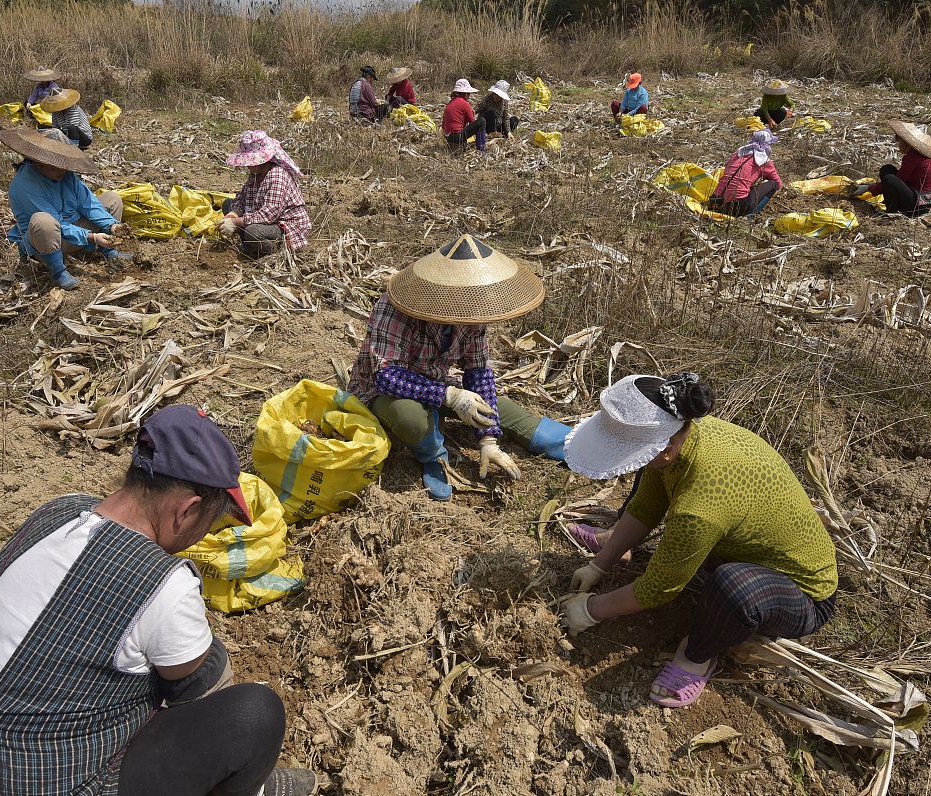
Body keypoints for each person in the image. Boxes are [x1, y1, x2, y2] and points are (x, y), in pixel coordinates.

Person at [0, 404, 317, 796]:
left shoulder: (58, 512)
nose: (204, 533)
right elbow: (195, 691)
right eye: (211, 520)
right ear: (188, 510)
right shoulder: (164, 585)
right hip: (41, 779)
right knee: (253, 714)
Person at [559, 373, 838, 708]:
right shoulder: (680, 437)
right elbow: (647, 505)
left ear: (665, 447)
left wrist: (590, 611)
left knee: (733, 588)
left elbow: (659, 588)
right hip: (736, 543)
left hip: (800, 593)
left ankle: (696, 658)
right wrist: (599, 564)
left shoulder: (699, 509)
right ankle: (617, 548)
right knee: (686, 542)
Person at [347, 235, 571, 501]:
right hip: (381, 391)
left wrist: (488, 439)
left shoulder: (471, 313)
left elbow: (477, 370)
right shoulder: (395, 308)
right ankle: (432, 455)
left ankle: (565, 442)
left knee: (494, 408)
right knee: (410, 417)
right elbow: (386, 376)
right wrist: (450, 397)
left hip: (434, 382)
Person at [0, 128, 131, 290]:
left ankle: (108, 251)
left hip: (77, 233)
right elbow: (58, 224)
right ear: (39, 161)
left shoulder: (66, 175)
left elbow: (88, 203)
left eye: (63, 164)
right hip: (47, 243)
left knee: (112, 199)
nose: (61, 170)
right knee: (43, 221)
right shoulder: (24, 185)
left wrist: (112, 226)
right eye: (55, 165)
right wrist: (92, 237)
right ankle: (58, 271)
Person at [220, 130, 312, 258]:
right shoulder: (256, 174)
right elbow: (242, 197)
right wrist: (232, 214)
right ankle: (248, 244)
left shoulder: (277, 176)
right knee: (228, 204)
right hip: (265, 219)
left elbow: (268, 215)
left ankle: (274, 250)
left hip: (284, 225)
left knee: (253, 232)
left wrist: (235, 222)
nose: (247, 165)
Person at [847, 120, 931, 216]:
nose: (898, 146)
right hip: (924, 201)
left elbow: (897, 180)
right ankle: (892, 205)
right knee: (887, 169)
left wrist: (868, 188)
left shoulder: (913, 158)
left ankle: (892, 211)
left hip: (918, 206)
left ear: (907, 144)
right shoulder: (920, 157)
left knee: (889, 179)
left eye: (900, 143)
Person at [708, 129, 782, 217]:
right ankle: (751, 214)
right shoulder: (763, 160)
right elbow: (778, 183)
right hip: (737, 206)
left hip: (715, 201)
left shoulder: (738, 153)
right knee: (773, 184)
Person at [442, 79, 486, 152]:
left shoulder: (450, 102)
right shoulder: (464, 104)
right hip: (457, 137)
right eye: (468, 94)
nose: (469, 96)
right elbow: (472, 122)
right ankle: (481, 150)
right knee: (481, 121)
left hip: (448, 137)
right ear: (465, 93)